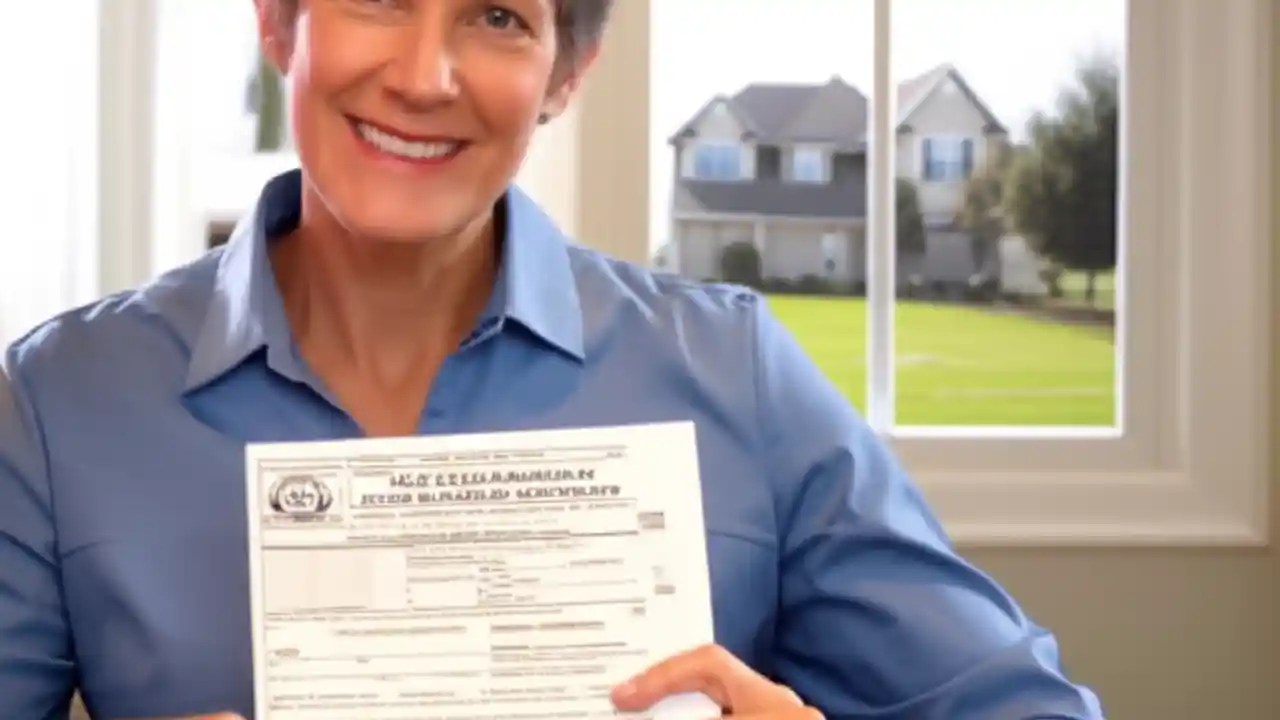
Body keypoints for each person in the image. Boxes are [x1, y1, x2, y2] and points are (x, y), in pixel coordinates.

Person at [0, 1, 1105, 718]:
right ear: (279, 25)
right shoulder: (60, 405)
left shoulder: (732, 375)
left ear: (564, 74)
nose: (425, 75)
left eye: (496, 17)